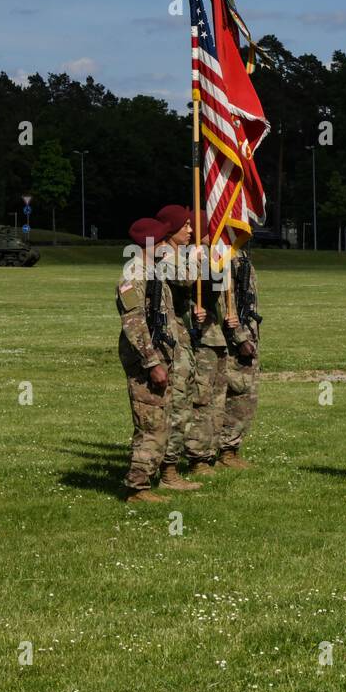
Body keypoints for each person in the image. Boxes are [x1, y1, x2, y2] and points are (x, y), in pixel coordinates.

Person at [118, 217, 187, 503]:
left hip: (159, 354)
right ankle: (137, 487)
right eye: (161, 242)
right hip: (145, 360)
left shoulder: (152, 270)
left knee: (160, 420)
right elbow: (133, 323)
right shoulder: (134, 273)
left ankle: (148, 479)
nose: (165, 246)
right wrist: (152, 363)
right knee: (150, 422)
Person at [154, 204, 205, 488]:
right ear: (171, 228)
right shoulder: (163, 253)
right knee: (176, 403)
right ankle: (168, 470)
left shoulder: (175, 253)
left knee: (183, 401)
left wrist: (193, 308)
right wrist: (197, 260)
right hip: (171, 342)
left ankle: (169, 465)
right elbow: (184, 278)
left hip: (181, 335)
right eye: (184, 225)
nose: (190, 230)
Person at [182, 215, 228, 479]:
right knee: (201, 397)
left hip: (216, 335)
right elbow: (177, 294)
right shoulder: (187, 257)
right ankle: (197, 456)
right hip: (199, 336)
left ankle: (211, 452)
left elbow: (218, 288)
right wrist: (192, 309)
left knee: (216, 397)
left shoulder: (213, 257)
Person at [219, 247, 260, 469]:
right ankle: (226, 450)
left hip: (248, 332)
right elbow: (226, 299)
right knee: (238, 392)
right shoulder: (224, 254)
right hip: (237, 339)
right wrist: (240, 337)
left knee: (247, 395)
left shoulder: (240, 253)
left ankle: (232, 448)